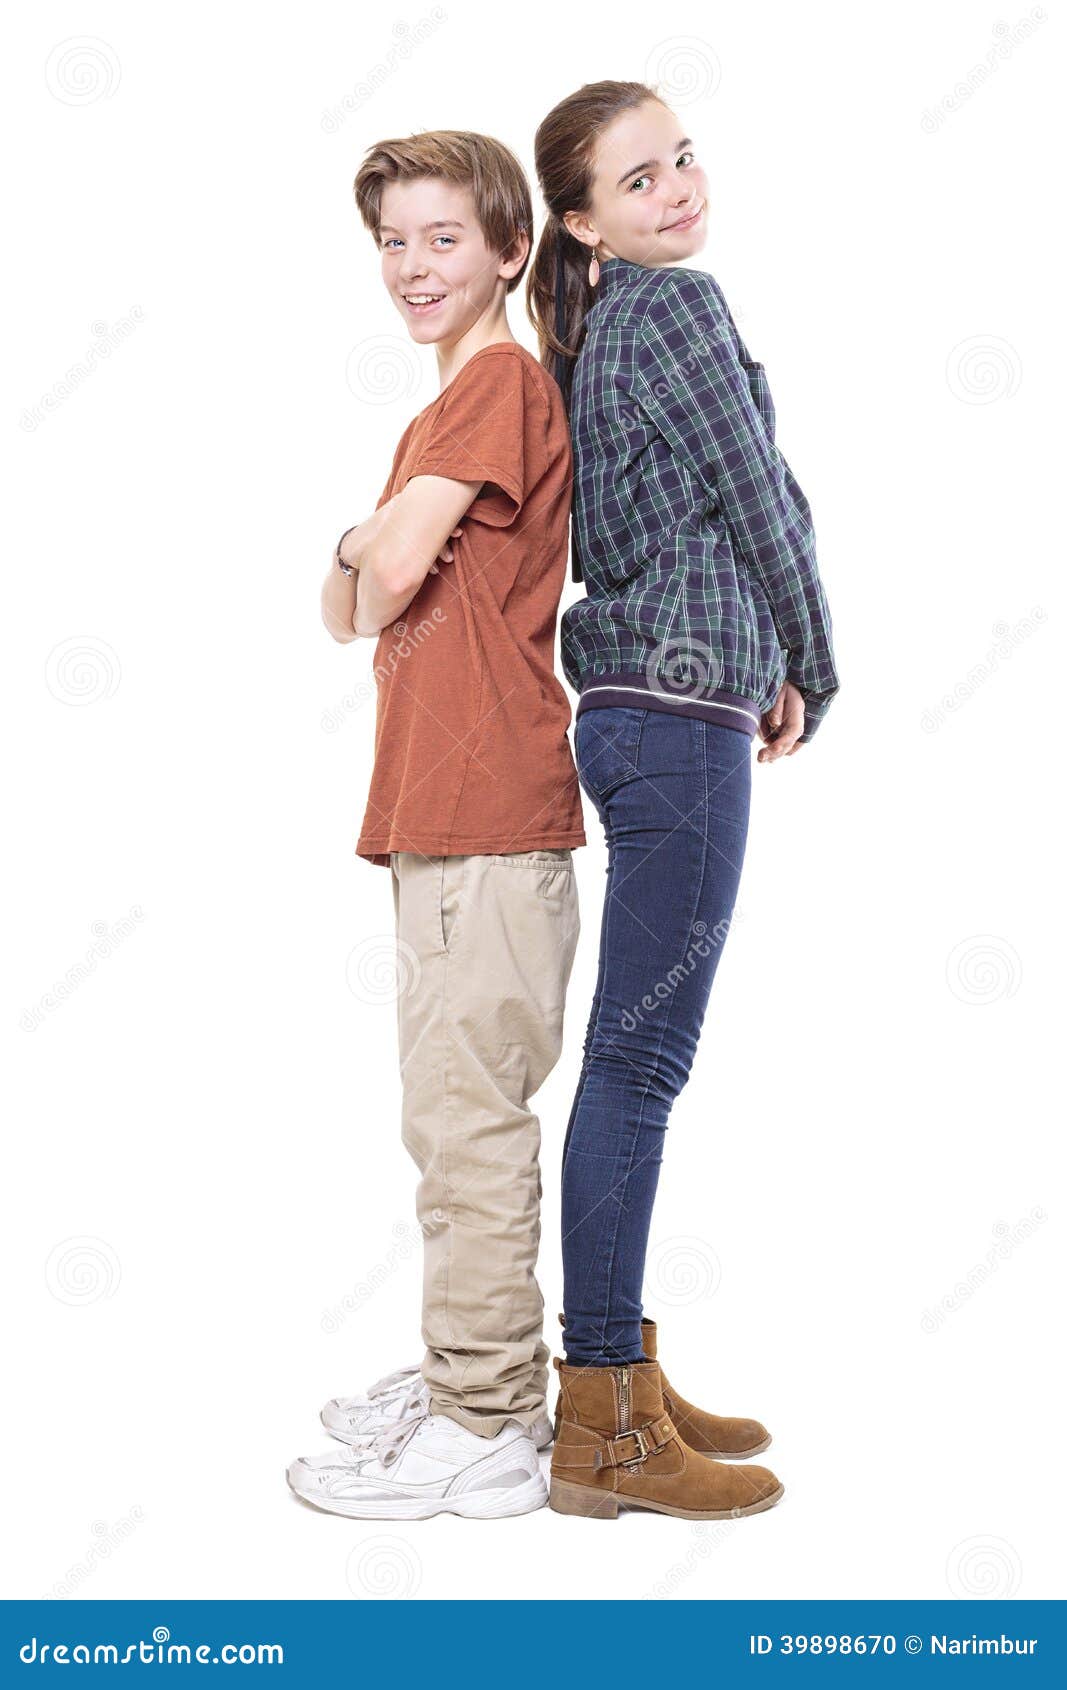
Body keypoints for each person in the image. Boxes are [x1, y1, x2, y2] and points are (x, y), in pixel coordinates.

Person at [525, 81, 841, 1519]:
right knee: (637, 1066)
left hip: (647, 708)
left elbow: (690, 517)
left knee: (630, 1061)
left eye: (683, 158)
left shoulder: (606, 328)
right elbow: (760, 499)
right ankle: (602, 1417)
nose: (679, 188)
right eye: (640, 179)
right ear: (586, 221)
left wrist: (760, 661)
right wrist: (815, 665)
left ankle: (625, 1375)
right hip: (676, 721)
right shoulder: (677, 308)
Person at [288, 130, 585, 1521]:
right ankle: (468, 1373)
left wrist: (365, 540)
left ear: (511, 250)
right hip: (436, 819)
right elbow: (346, 614)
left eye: (443, 238)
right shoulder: (441, 417)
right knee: (444, 1119)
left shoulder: (499, 384)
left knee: (471, 1122)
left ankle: (489, 1417)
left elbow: (386, 568)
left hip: (488, 813)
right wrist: (364, 555)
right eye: (393, 242)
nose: (412, 266)